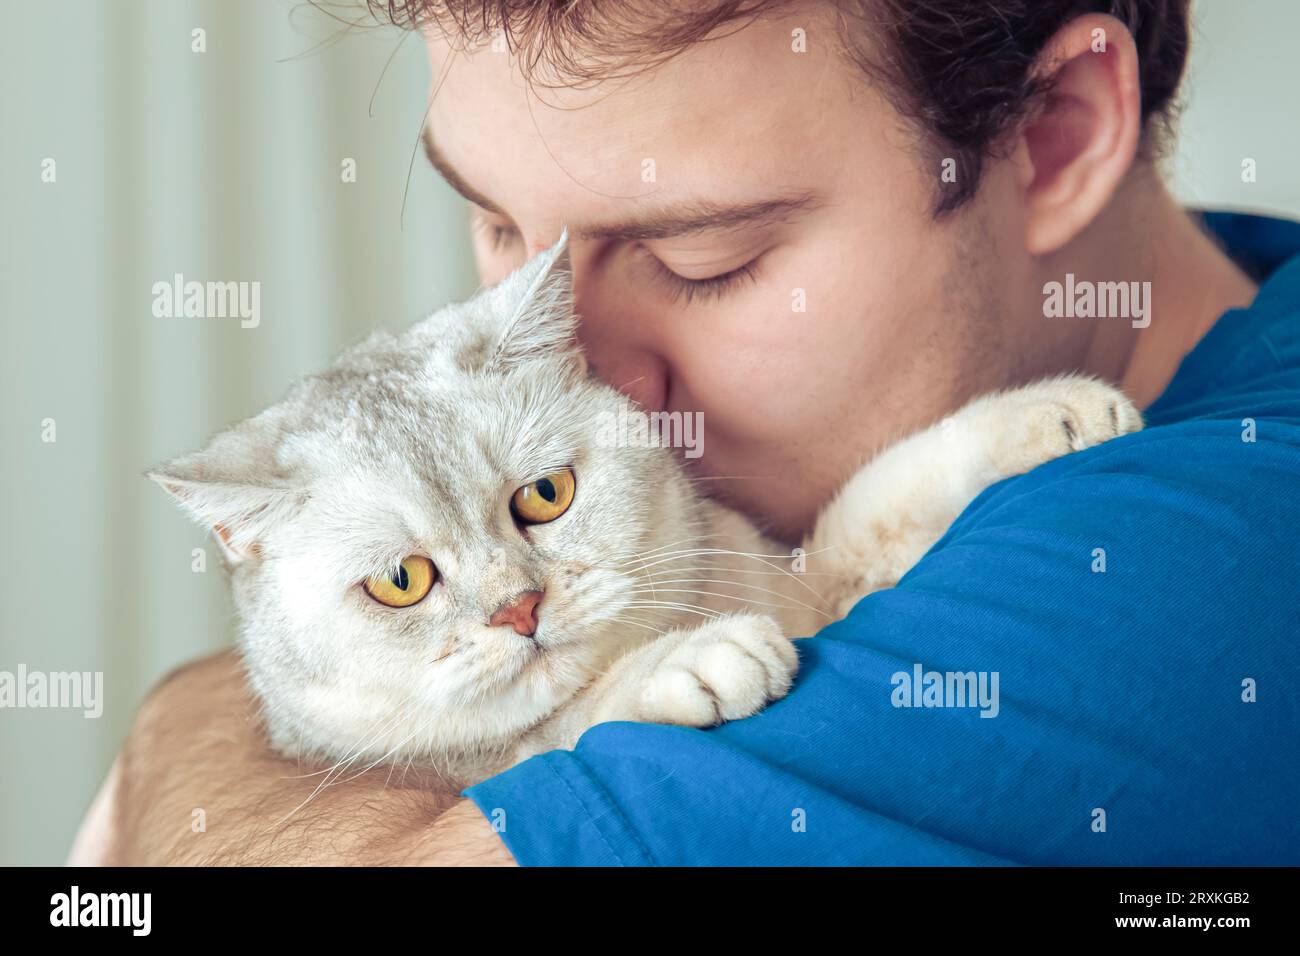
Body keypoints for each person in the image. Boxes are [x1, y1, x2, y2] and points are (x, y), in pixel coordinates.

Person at [79, 0, 1300, 865]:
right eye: (498, 228)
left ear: (1053, 134)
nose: (590, 380)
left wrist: (174, 728)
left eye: (698, 257)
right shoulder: (1223, 295)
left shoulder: (1203, 561)